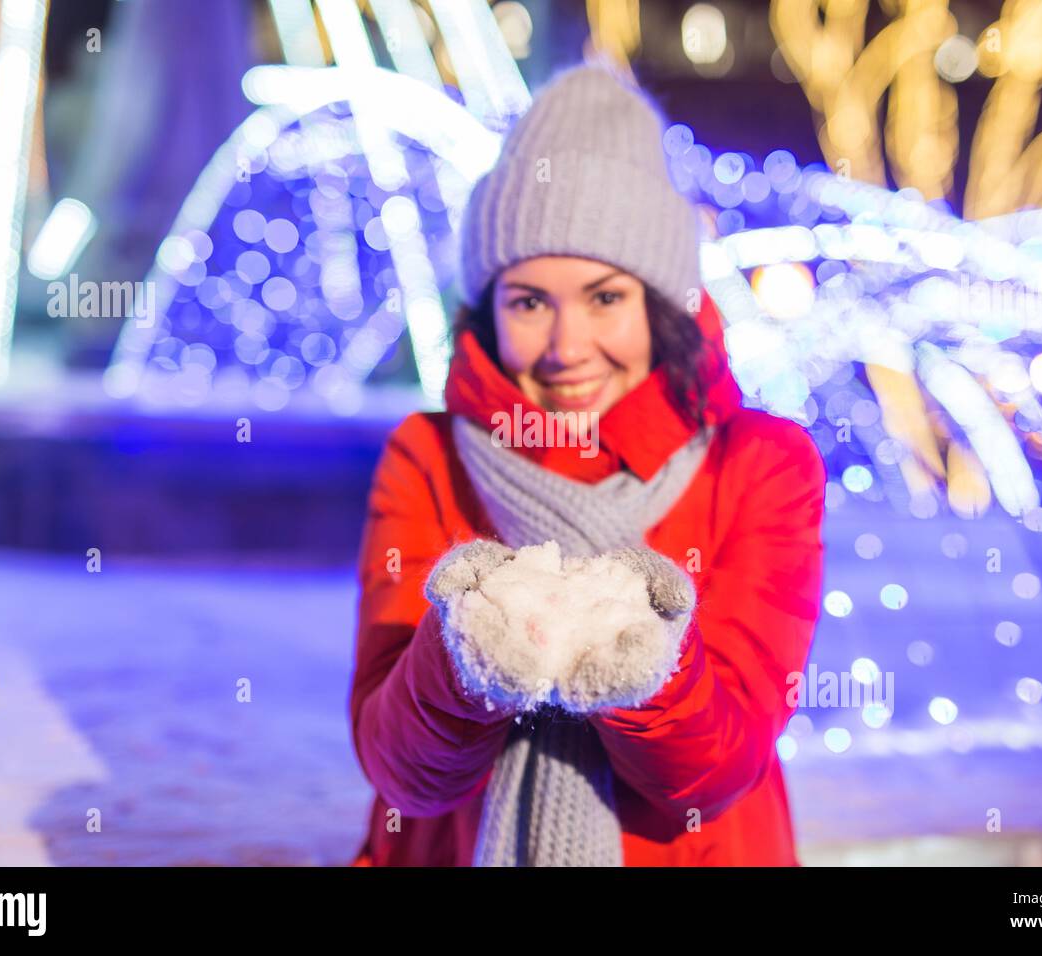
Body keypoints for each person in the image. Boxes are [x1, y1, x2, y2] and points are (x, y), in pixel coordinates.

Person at [347, 62, 826, 866]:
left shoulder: (762, 464)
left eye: (605, 298)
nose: (567, 349)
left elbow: (717, 772)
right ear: (488, 308)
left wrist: (645, 668)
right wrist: (466, 663)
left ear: (659, 303)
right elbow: (402, 773)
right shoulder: (427, 454)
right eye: (529, 301)